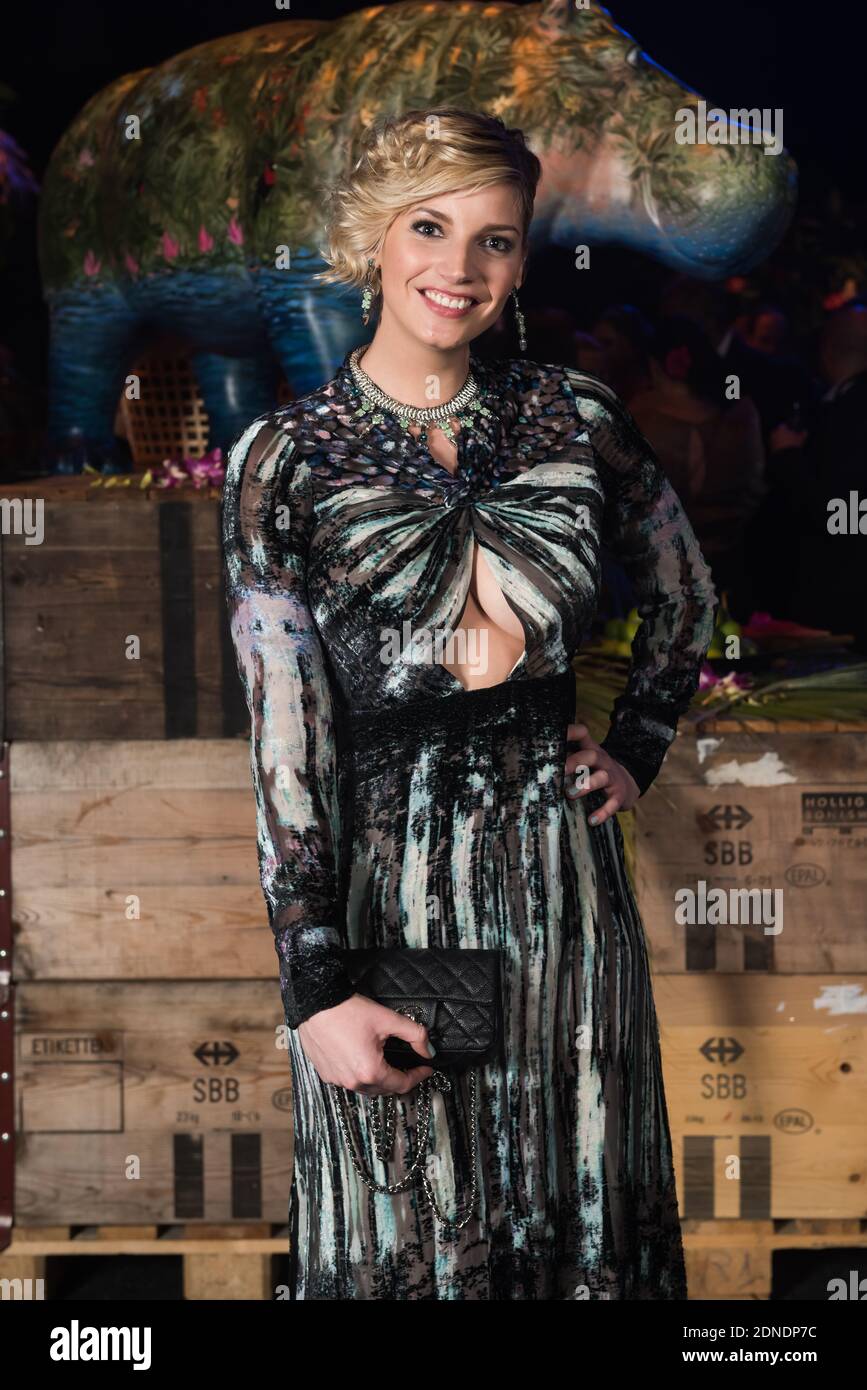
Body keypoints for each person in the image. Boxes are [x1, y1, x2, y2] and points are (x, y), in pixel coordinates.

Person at [221, 107, 718, 1300]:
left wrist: (638, 745)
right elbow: (284, 736)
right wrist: (315, 988)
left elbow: (688, 599)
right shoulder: (286, 458)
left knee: (581, 1209)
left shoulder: (575, 416)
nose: (460, 268)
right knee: (414, 1242)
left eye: (496, 240)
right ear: (372, 242)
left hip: (565, 890)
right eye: (431, 228)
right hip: (390, 888)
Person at [629, 315, 766, 617]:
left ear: (655, 365)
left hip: (658, 573)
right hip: (731, 567)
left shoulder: (638, 414)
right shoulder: (741, 412)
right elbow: (754, 491)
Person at [750, 299, 867, 647]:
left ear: (828, 352)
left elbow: (839, 510)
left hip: (839, 599)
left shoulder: (851, 411)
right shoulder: (842, 405)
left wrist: (787, 457)